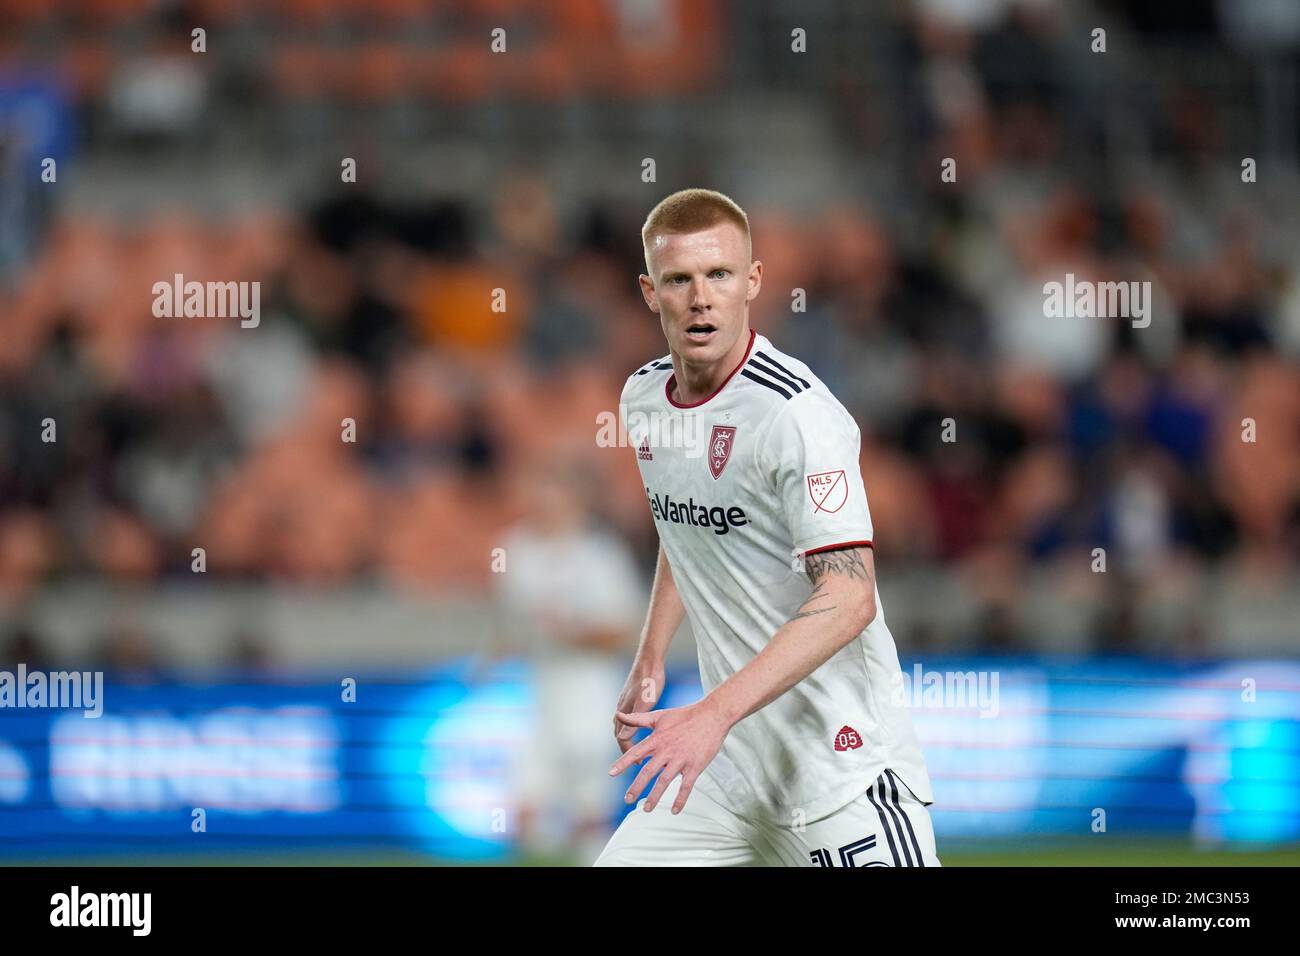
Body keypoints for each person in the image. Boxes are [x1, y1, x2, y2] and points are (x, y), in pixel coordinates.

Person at [595, 188, 939, 866]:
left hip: (839, 771)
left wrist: (711, 713)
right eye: (679, 280)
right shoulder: (643, 397)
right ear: (648, 291)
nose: (701, 299)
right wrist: (651, 655)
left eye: (719, 275)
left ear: (752, 281)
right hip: (729, 771)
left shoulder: (796, 417)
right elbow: (684, 523)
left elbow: (849, 597)